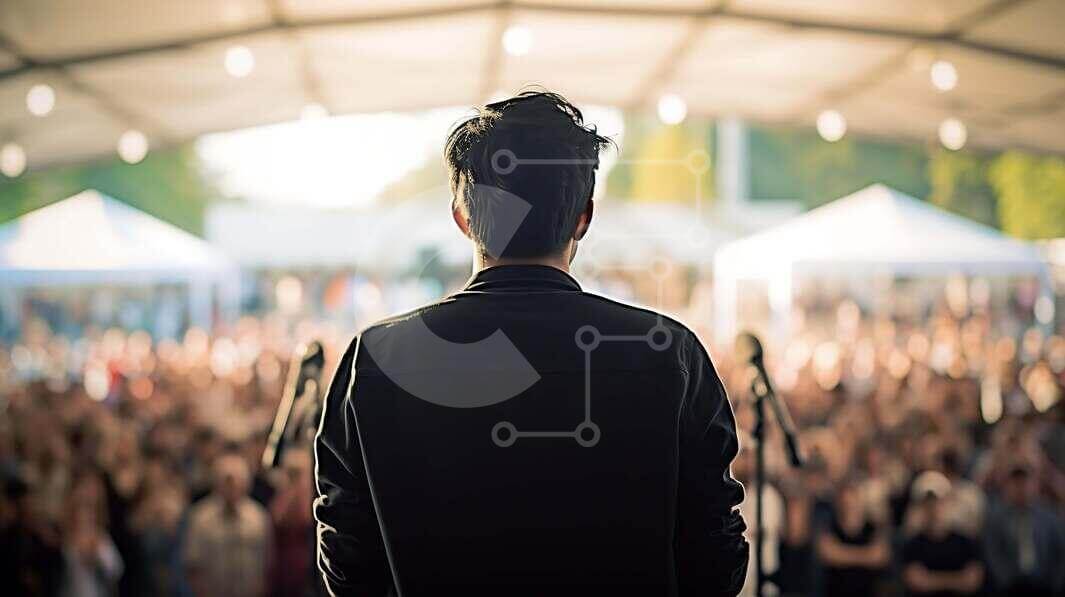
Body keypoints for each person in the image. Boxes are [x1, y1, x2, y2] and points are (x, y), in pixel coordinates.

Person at [314, 91, 748, 596]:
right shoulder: (669, 353)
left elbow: (349, 568)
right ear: (584, 216)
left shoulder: (377, 359)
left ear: (463, 217)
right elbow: (716, 564)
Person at [183, 453, 272, 597]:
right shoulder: (200, 518)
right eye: (227, 481)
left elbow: (267, 564)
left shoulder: (258, 517)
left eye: (237, 480)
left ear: (246, 483)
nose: (232, 486)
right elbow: (193, 565)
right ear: (216, 482)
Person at [983, 465, 1065, 596]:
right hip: (1010, 586)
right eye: (1016, 484)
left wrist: (1055, 583)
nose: (1021, 489)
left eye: (1025, 483)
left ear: (1035, 486)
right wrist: (1006, 581)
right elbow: (993, 554)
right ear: (1007, 487)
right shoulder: (996, 519)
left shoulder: (1050, 517)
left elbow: (1060, 553)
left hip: (1045, 584)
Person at [901, 472, 983, 597]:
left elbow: (972, 582)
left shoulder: (965, 542)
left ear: (948, 503)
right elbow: (916, 582)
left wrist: (931, 579)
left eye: (938, 502)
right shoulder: (913, 545)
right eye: (927, 504)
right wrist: (957, 579)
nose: (933, 508)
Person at [816, 477, 890, 597]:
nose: (849, 506)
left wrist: (843, 553)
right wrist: (866, 555)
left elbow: (879, 556)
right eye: (845, 501)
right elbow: (829, 554)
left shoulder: (873, 528)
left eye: (853, 500)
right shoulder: (829, 527)